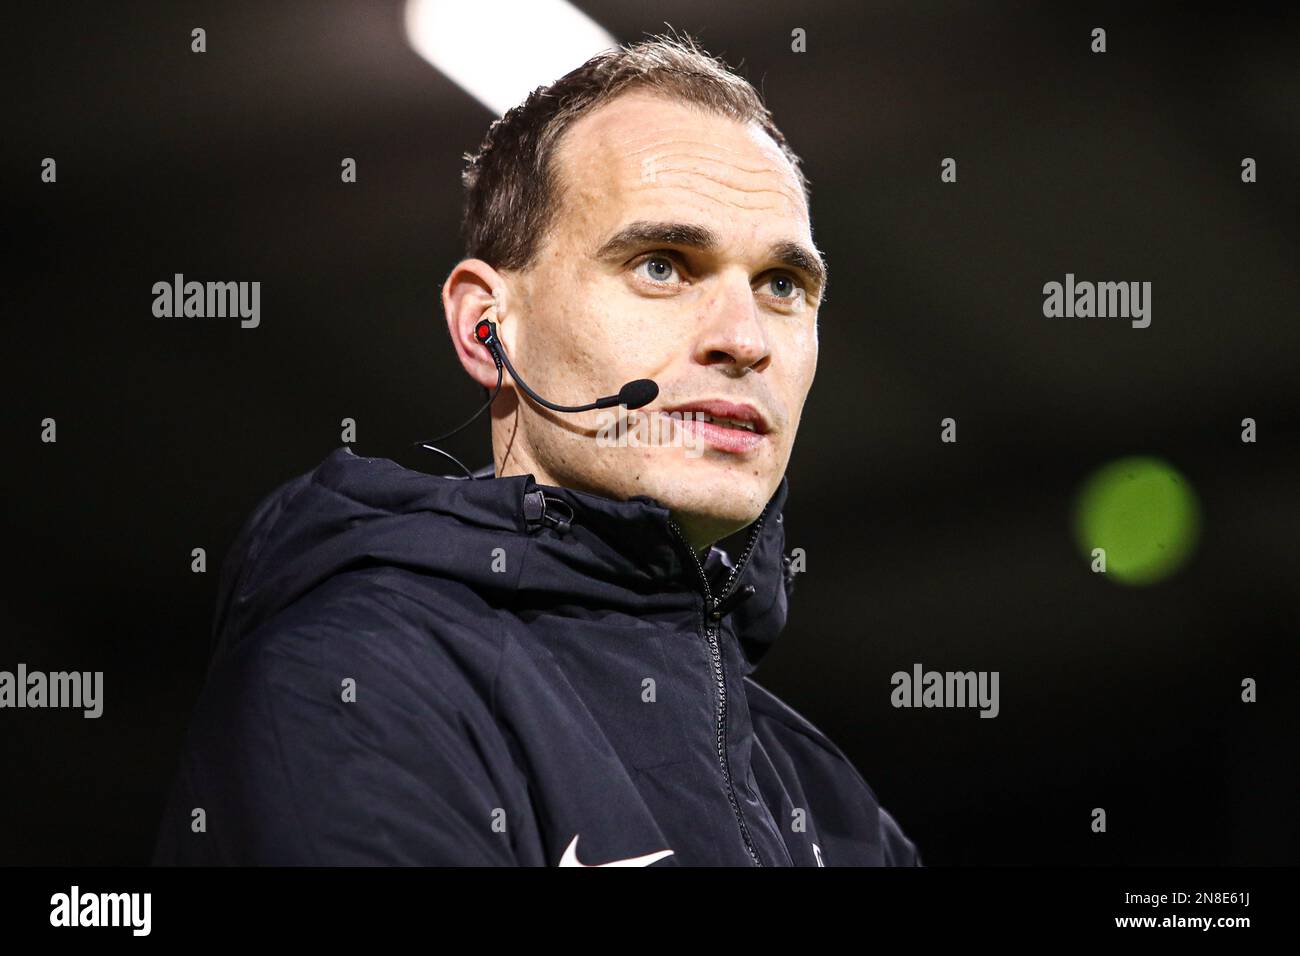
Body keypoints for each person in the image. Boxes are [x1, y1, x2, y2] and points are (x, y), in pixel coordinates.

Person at [152, 31, 921, 867]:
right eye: (662, 265)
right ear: (487, 329)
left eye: (782, 286)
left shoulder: (833, 810)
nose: (744, 339)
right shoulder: (357, 680)